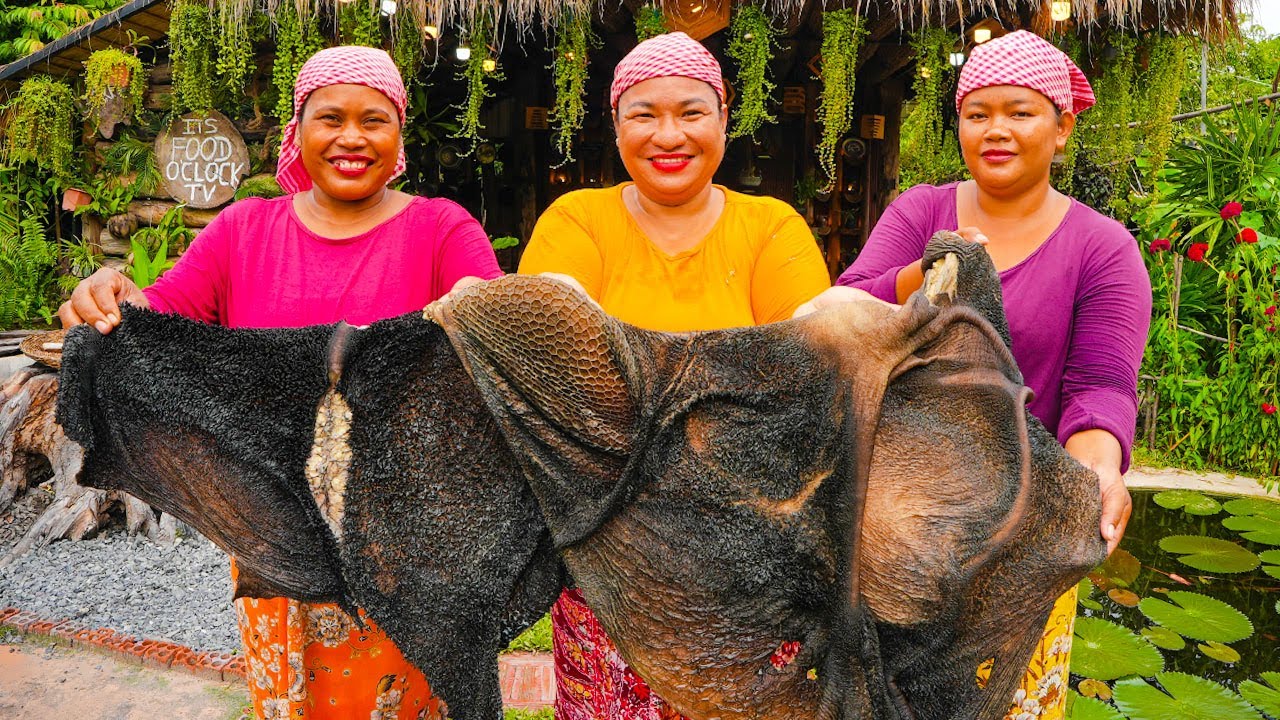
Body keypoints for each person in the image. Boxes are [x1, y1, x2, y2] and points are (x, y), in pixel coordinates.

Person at [58, 46, 502, 720]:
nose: (352, 138)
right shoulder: (243, 232)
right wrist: (112, 295)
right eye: (331, 118)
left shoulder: (441, 230)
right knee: (293, 703)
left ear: (399, 135)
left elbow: (493, 330)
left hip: (408, 547)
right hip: (272, 535)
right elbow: (159, 314)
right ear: (298, 130)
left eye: (374, 120)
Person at [800, 30, 1152, 720]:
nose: (996, 129)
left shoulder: (1102, 249)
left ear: (1062, 128)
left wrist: (1096, 473)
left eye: (1020, 112)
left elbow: (1100, 387)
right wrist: (936, 266)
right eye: (977, 112)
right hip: (889, 523)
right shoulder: (920, 211)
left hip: (1020, 533)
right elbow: (846, 308)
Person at [517, 31, 831, 719]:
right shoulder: (579, 220)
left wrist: (635, 372)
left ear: (724, 120)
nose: (670, 135)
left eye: (692, 112)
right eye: (644, 114)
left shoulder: (771, 229)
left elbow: (810, 360)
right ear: (617, 124)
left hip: (753, 558)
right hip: (609, 550)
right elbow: (548, 348)